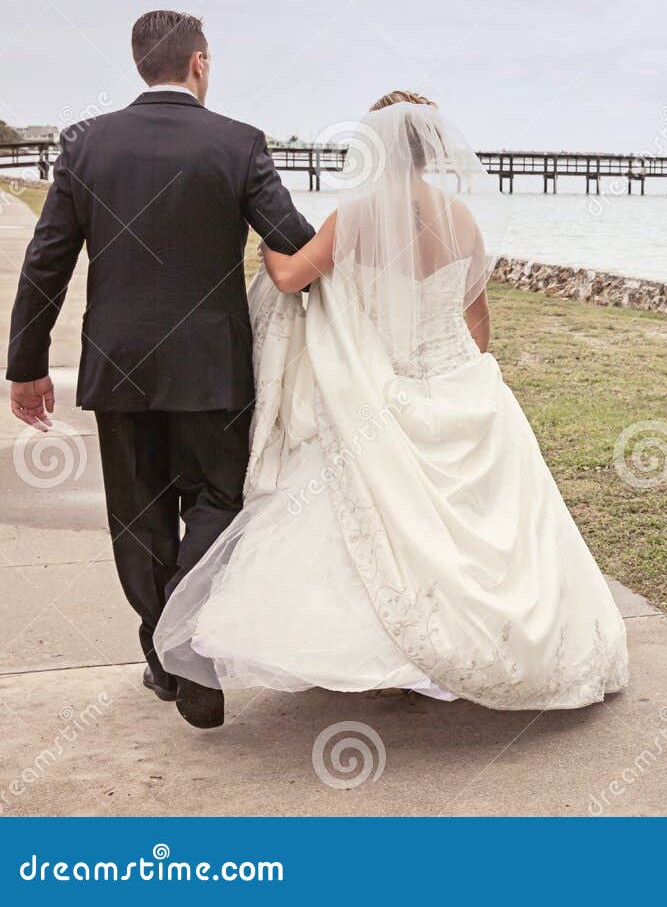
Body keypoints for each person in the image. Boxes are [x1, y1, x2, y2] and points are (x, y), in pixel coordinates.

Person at [154, 97, 629, 711]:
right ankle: (494, 649)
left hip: (380, 389)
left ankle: (390, 660)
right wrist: (467, 374)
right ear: (432, 151)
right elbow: (476, 315)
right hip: (459, 378)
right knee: (491, 532)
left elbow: (289, 278)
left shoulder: (353, 220)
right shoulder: (461, 219)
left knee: (369, 523)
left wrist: (266, 240)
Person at [5, 10, 315, 728]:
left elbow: (48, 257)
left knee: (139, 516)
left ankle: (167, 651)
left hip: (121, 364)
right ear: (198, 63)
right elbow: (293, 242)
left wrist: (26, 363)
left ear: (142, 63)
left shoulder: (86, 144)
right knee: (218, 499)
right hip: (212, 366)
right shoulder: (237, 143)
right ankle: (190, 643)